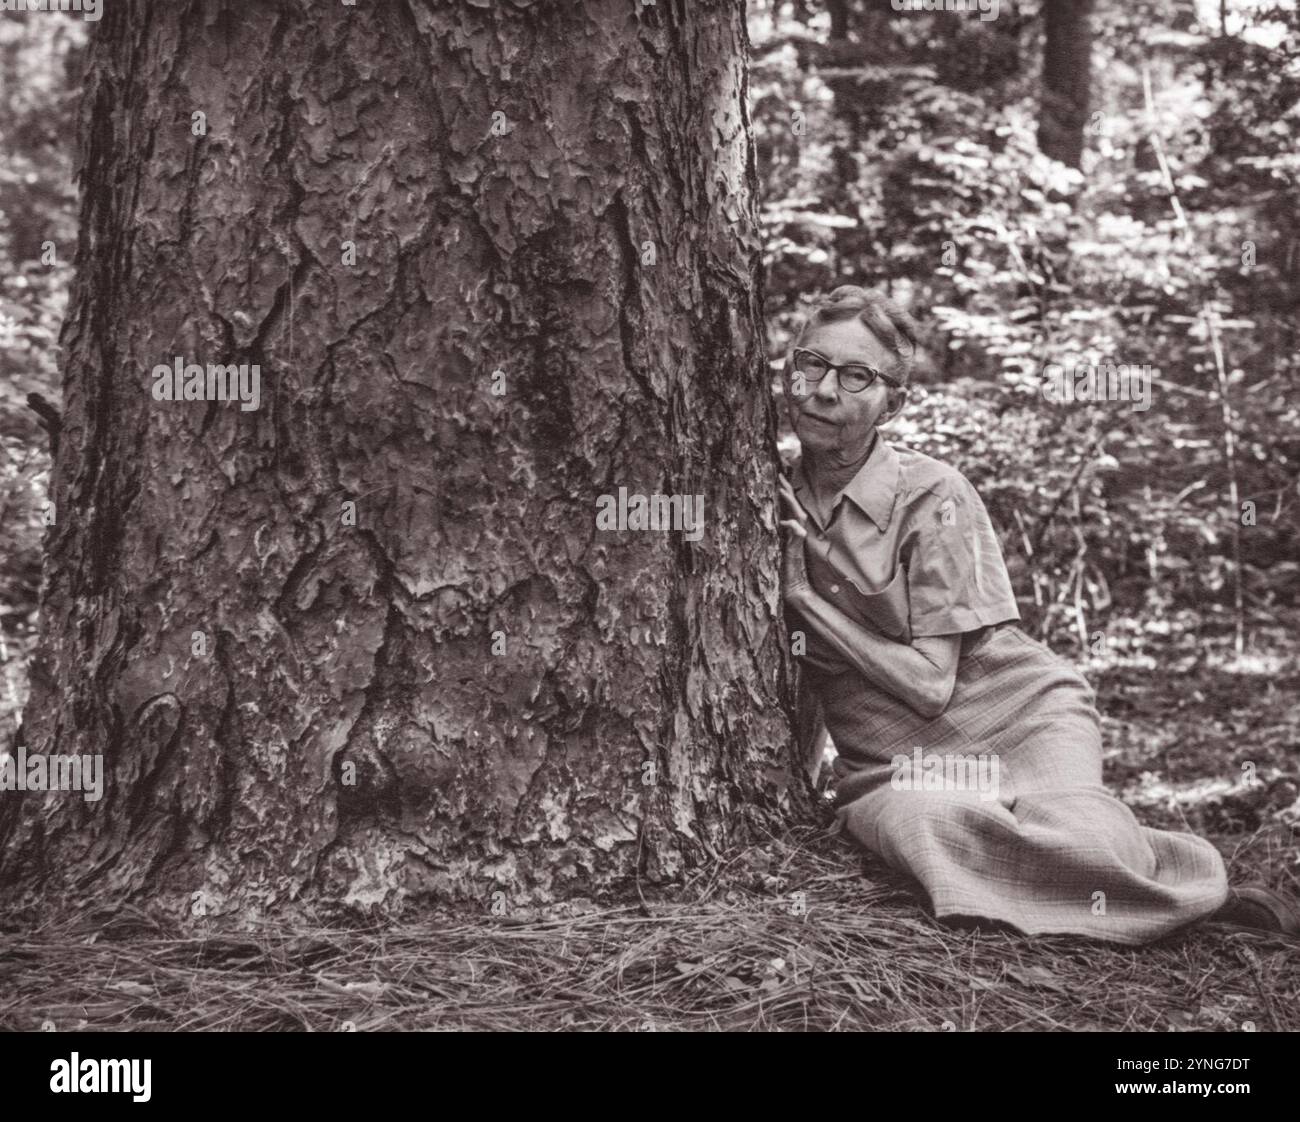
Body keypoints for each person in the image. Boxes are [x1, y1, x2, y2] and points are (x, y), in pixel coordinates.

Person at [778, 285, 1299, 943]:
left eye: (856, 376)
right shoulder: (764, 491)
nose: (824, 390)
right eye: (812, 363)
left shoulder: (934, 496)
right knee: (929, 826)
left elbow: (931, 686)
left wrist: (805, 604)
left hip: (1021, 718)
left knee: (1086, 837)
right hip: (890, 762)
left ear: (894, 402)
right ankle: (1106, 890)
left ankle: (1195, 891)